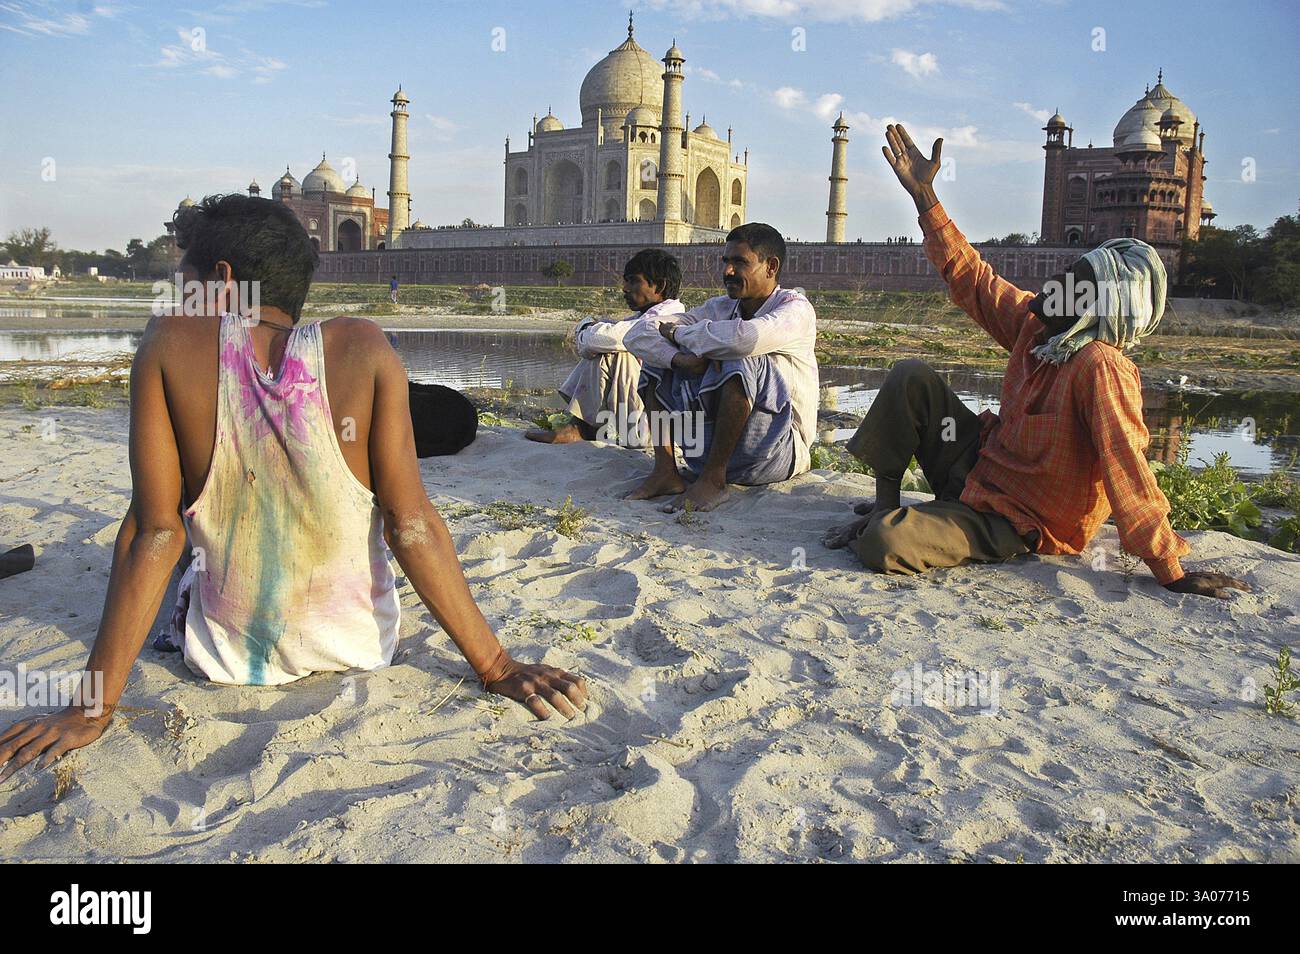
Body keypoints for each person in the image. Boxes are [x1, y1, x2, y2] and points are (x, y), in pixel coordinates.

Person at [0, 194, 586, 782]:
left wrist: (90, 708)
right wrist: (496, 665)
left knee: (179, 527)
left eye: (186, 275)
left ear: (222, 281)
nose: (178, 290)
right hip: (358, 646)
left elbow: (154, 532)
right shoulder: (364, 345)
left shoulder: (170, 342)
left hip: (225, 659)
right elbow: (410, 525)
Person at [824, 124, 1250, 600]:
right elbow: (973, 278)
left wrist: (1169, 568)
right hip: (981, 467)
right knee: (911, 376)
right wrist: (924, 195)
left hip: (1020, 518)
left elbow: (1127, 464)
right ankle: (886, 504)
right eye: (1065, 274)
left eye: (1073, 286)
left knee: (885, 545)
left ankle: (896, 524)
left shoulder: (1098, 366)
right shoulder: (1038, 328)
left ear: (1098, 310)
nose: (1053, 285)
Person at [623, 223, 818, 512]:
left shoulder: (795, 309)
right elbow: (637, 334)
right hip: (705, 452)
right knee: (657, 360)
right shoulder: (721, 307)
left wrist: (678, 335)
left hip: (773, 452)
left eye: (740, 262)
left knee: (739, 354)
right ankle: (665, 471)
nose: (727, 271)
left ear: (771, 267)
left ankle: (714, 481)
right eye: (726, 261)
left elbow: (744, 339)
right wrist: (679, 358)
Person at [525, 249, 683, 446]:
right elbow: (600, 337)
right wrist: (591, 332)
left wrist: (585, 328)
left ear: (659, 286)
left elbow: (597, 340)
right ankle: (582, 427)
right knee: (610, 346)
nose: (624, 288)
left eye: (633, 281)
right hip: (644, 424)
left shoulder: (663, 321)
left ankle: (583, 429)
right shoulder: (644, 317)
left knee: (612, 352)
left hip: (660, 433)